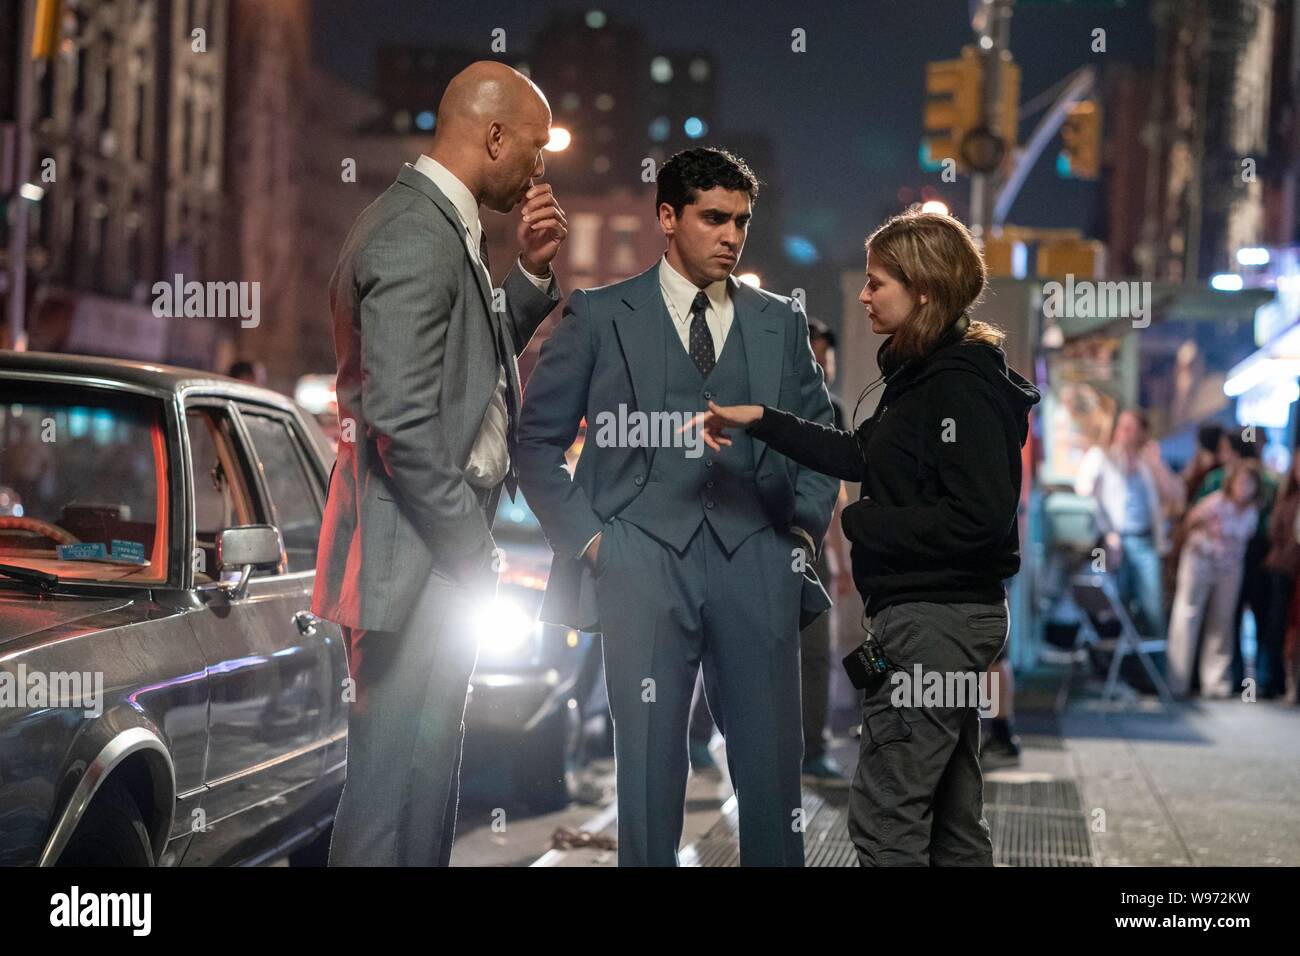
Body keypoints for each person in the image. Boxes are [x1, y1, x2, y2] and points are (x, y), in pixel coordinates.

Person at [516, 147, 839, 866]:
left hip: (755, 557)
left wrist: (802, 539)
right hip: (639, 562)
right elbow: (533, 442)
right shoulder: (599, 316)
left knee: (772, 779)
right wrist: (595, 545)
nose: (731, 236)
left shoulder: (779, 322)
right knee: (648, 777)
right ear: (667, 216)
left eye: (742, 222)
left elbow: (826, 440)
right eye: (714, 218)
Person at [700, 209, 1040, 866]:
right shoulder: (924, 377)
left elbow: (981, 519)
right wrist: (762, 420)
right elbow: (863, 455)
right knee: (949, 822)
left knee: (886, 818)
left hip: (933, 624)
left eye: (878, 282)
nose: (863, 294)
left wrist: (860, 522)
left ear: (926, 290)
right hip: (929, 623)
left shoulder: (957, 391)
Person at [312, 61, 567, 866]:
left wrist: (527, 275)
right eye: (531, 148)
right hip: (417, 561)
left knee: (423, 789)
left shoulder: (440, 225)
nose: (538, 169)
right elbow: (403, 423)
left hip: (427, 560)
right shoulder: (415, 233)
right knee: (391, 800)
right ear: (492, 135)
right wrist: (475, 549)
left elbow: (470, 363)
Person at [1074, 409, 1184, 639]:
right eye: (1121, 426)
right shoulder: (1103, 457)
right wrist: (1108, 533)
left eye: (1129, 428)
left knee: (1152, 609)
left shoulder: (1148, 464)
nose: (1122, 433)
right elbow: (1084, 489)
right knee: (1113, 606)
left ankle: (1155, 670)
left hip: (1145, 542)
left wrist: (1156, 463)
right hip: (1114, 543)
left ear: (1142, 433)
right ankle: (1116, 668)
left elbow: (1176, 496)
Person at [799, 318, 849, 785]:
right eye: (814, 353)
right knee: (744, 653)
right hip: (767, 543)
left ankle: (813, 748)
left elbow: (833, 494)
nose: (822, 363)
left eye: (826, 356)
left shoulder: (833, 411)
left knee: (817, 654)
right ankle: (701, 736)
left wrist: (838, 559)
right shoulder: (769, 404)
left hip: (812, 552)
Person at [1167, 460, 1262, 698]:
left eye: (1249, 483)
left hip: (1230, 568)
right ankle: (1177, 681)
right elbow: (1189, 521)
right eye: (1241, 481)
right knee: (1188, 616)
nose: (1244, 487)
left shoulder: (1252, 511)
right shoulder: (1216, 501)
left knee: (1222, 622)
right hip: (1201, 561)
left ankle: (1216, 683)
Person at [1258, 454, 1300, 698]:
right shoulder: (1287, 499)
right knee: (1276, 626)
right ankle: (1269, 681)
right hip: (1282, 570)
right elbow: (1274, 532)